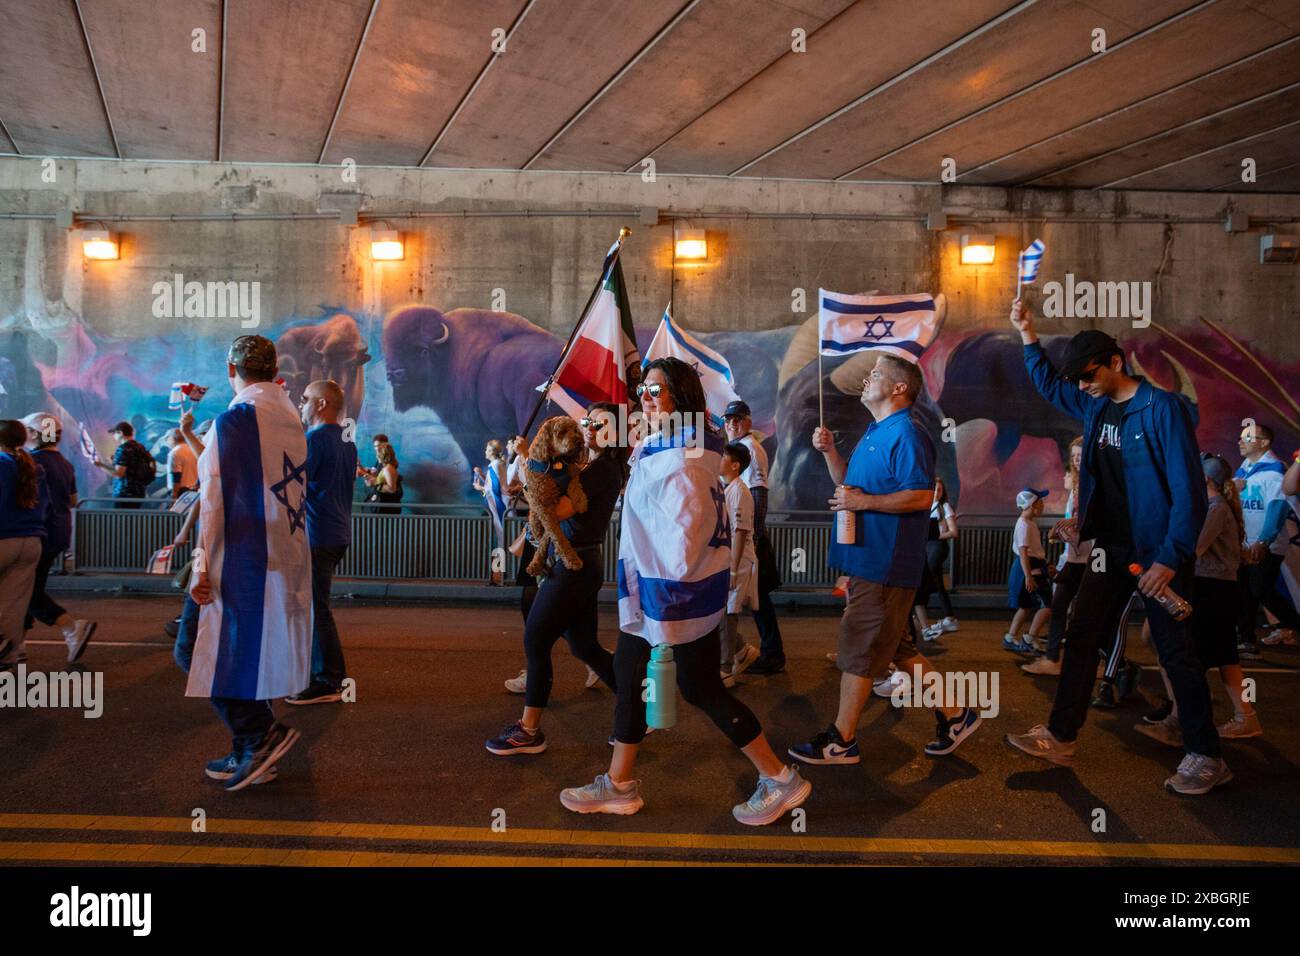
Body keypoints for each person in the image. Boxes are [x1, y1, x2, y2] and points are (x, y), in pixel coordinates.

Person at [559, 358, 810, 826]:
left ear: (682, 398)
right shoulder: (680, 447)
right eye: (643, 392)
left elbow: (683, 535)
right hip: (672, 592)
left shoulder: (682, 457)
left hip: (672, 594)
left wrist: (664, 601)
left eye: (655, 392)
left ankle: (777, 778)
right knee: (669, 681)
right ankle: (620, 785)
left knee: (679, 683)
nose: (644, 400)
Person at [1003, 301, 1227, 795]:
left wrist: (1170, 558)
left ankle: (1206, 754)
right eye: (1078, 380)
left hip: (1158, 551)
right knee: (1082, 635)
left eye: (1087, 376)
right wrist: (1026, 333)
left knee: (1176, 652)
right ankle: (1061, 737)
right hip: (1111, 547)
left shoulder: (1163, 409)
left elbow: (1189, 491)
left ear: (1115, 363)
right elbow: (1048, 384)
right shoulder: (1096, 404)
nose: (1081, 387)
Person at [789, 355, 983, 766]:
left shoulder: (908, 433)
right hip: (867, 561)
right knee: (899, 649)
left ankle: (841, 740)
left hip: (884, 564)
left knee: (859, 650)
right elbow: (848, 486)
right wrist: (828, 453)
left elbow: (920, 494)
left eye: (876, 373)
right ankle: (956, 715)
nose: (867, 378)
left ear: (899, 388)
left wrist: (865, 501)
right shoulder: (875, 431)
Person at [187, 335, 311, 791]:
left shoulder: (233, 420)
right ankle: (250, 747)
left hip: (239, 557)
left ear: (230, 368)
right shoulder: (289, 414)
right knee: (242, 652)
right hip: (284, 550)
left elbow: (213, 501)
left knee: (202, 650)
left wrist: (200, 567)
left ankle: (258, 736)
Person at [485, 403, 625, 755]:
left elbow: (557, 510)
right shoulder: (588, 466)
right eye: (588, 421)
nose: (590, 427)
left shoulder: (604, 470)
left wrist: (531, 471)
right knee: (584, 646)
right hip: (576, 562)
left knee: (536, 637)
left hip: (574, 563)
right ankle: (638, 707)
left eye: (600, 423)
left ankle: (529, 731)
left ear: (618, 431)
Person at [1139, 453, 1261, 744]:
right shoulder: (1212, 505)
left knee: (1187, 656)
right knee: (1225, 658)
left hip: (1211, 590)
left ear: (1204, 478)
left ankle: (1181, 721)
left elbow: (1192, 548)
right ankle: (1245, 717)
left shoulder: (1214, 508)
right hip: (1217, 589)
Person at [286, 380, 357, 706]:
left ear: (321, 405)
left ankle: (328, 679)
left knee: (316, 608)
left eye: (305, 399)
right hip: (337, 532)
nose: (301, 404)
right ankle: (315, 673)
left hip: (317, 535)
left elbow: (291, 488)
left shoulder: (312, 440)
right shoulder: (347, 442)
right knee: (313, 607)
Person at [21, 413, 95, 662]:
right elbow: (73, 500)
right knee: (31, 587)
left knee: (25, 590)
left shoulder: (32, 463)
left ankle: (70, 626)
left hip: (38, 532)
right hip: (60, 532)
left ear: (34, 434)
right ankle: (18, 645)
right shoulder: (64, 463)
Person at [723, 400, 785, 674]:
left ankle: (770, 653)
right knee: (755, 598)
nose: (732, 424)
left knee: (754, 597)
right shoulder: (741, 448)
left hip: (749, 535)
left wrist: (755, 539)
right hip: (746, 534)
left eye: (737, 419)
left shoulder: (751, 448)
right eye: (728, 420)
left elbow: (759, 495)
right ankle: (756, 651)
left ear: (749, 421)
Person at [1024, 438, 1089, 676]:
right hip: (1073, 557)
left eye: (1081, 456)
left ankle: (1106, 662)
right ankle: (1053, 658)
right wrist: (1060, 532)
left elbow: (1100, 519)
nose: (1076, 461)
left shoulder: (1095, 485)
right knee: (1060, 605)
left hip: (1091, 559)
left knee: (1082, 612)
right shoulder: (1077, 489)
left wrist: (1074, 523)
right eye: (1073, 456)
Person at [1234, 422, 1298, 657]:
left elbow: (1277, 507)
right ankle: (1246, 640)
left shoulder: (1273, 471)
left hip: (1264, 544)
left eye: (1247, 438)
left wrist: (1264, 540)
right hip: (1245, 543)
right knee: (1246, 593)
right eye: (1241, 437)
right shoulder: (1244, 469)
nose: (1240, 441)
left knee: (1260, 589)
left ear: (1263, 443)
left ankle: (1291, 624)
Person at [0, 419, 48, 672]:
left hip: (3, 538)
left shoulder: (1, 464)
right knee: (13, 605)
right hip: (31, 541)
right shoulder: (32, 466)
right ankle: (7, 659)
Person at [719, 441, 761, 687]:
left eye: (723, 456)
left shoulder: (740, 492)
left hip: (739, 559)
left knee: (728, 612)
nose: (719, 459)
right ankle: (743, 652)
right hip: (728, 558)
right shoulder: (727, 488)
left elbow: (741, 532)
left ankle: (725, 669)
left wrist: (733, 569)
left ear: (735, 465)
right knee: (722, 611)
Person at [1004, 488, 1052, 653]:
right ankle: (1030, 637)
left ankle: (1010, 637)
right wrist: (1028, 576)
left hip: (1030, 567)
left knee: (1025, 606)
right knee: (1047, 604)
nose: (1043, 505)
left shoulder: (1028, 522)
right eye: (1040, 501)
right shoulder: (1024, 524)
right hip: (1029, 568)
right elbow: (1024, 552)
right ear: (1032, 505)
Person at [918, 478, 959, 640]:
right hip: (926, 546)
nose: (936, 492)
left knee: (925, 579)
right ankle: (949, 617)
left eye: (939, 490)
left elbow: (954, 532)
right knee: (936, 582)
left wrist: (937, 535)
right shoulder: (924, 506)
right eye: (934, 489)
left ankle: (921, 616)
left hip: (937, 545)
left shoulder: (944, 507)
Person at [92, 420, 154, 507]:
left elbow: (118, 473)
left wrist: (100, 465)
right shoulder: (140, 447)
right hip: (139, 492)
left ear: (120, 433)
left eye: (114, 433)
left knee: (122, 519)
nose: (113, 436)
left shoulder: (123, 449)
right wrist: (115, 461)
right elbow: (133, 466)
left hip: (125, 494)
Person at [361, 438, 402, 509]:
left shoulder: (388, 469)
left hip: (385, 505)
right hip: (382, 503)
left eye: (378, 453)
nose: (376, 455)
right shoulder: (385, 467)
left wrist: (375, 483)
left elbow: (392, 489)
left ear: (383, 454)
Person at [164, 428, 198, 499]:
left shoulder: (175, 452)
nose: (166, 441)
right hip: (194, 491)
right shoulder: (193, 450)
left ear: (173, 438)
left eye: (167, 438)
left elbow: (176, 476)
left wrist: (174, 495)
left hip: (181, 492)